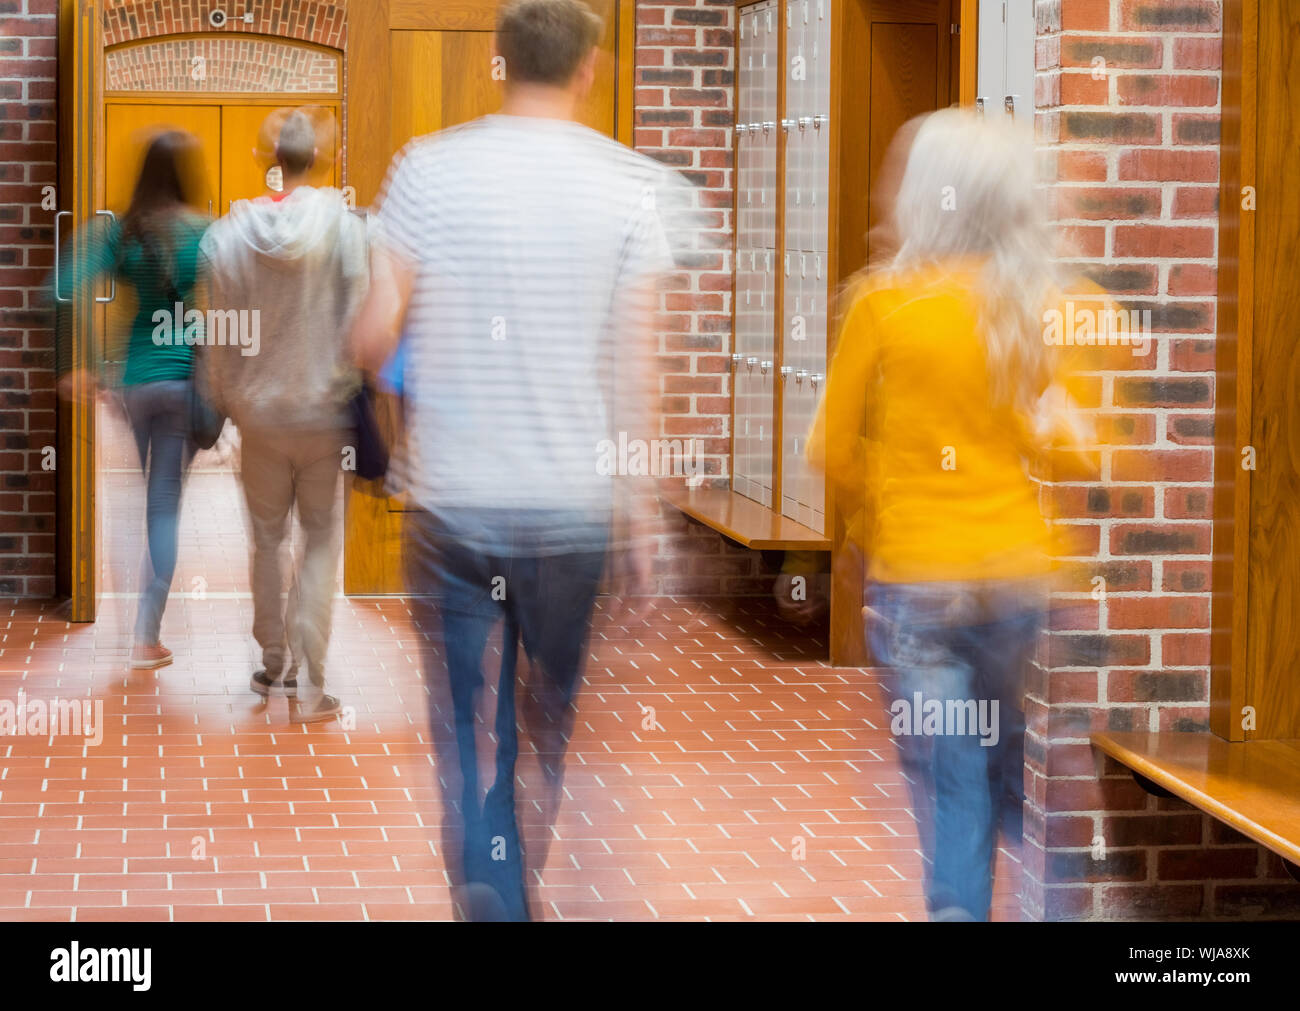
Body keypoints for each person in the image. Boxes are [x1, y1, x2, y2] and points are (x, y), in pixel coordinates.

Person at [350, 0, 680, 920]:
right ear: (588, 69)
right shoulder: (628, 187)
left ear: (500, 62)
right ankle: (515, 853)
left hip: (455, 504)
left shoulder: (429, 170)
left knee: (463, 720)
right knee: (543, 721)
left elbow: (376, 336)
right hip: (570, 511)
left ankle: (489, 885)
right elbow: (635, 369)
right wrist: (643, 513)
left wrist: (380, 340)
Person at [808, 108, 1096, 921]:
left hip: (920, 584)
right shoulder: (1036, 310)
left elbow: (827, 450)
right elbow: (1074, 452)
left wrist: (881, 514)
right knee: (1013, 770)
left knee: (953, 781)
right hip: (1016, 579)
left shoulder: (882, 304)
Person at [198, 110, 368, 724]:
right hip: (324, 414)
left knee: (266, 541)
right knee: (321, 541)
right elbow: (360, 324)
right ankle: (313, 683)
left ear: (266, 158)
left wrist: (225, 401)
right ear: (317, 160)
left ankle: (274, 663)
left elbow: (217, 336)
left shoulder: (226, 237)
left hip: (260, 413)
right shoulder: (347, 230)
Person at [54, 130, 211, 670]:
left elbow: (62, 285)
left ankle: (135, 627)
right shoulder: (204, 232)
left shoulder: (121, 232)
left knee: (142, 499)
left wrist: (87, 364)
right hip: (184, 381)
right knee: (164, 504)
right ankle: (147, 633)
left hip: (135, 384)